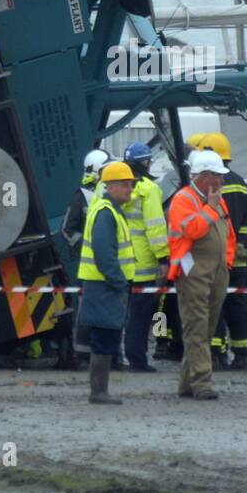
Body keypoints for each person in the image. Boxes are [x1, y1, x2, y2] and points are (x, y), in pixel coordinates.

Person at [166, 150, 236, 399]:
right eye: (218, 176)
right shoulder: (184, 199)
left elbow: (228, 234)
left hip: (216, 272)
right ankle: (201, 383)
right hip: (193, 272)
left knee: (205, 329)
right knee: (197, 328)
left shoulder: (215, 199)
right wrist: (210, 208)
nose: (222, 181)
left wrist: (226, 262)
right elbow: (193, 230)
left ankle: (187, 383)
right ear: (205, 176)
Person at [77, 161, 137, 404]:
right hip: (105, 286)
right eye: (125, 185)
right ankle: (99, 392)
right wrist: (119, 281)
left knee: (107, 337)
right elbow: (105, 254)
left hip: (104, 286)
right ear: (110, 186)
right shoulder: (106, 212)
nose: (129, 190)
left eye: (131, 185)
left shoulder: (109, 210)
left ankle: (100, 390)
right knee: (103, 339)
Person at [198, 133, 247, 370]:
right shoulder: (241, 183)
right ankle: (243, 355)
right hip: (237, 259)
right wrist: (241, 244)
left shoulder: (205, 187)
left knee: (213, 306)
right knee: (237, 307)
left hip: (214, 259)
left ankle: (216, 353)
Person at [120, 141, 169, 372]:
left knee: (116, 314)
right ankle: (137, 359)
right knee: (139, 318)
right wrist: (163, 259)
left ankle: (113, 358)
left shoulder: (109, 187)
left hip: (118, 263)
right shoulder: (149, 189)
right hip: (143, 265)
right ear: (144, 162)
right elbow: (155, 228)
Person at [62, 149, 110, 365]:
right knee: (86, 308)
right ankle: (82, 352)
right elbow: (67, 229)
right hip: (89, 265)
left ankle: (107, 352)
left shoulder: (109, 194)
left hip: (108, 262)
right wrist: (85, 245)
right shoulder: (80, 196)